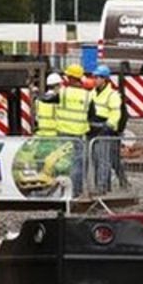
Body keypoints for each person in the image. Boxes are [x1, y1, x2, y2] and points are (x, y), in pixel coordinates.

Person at [55, 64, 90, 196]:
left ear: (70, 77)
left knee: (63, 162)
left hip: (63, 132)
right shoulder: (87, 95)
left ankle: (61, 191)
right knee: (78, 163)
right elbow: (92, 113)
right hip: (79, 134)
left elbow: (47, 99)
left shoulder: (62, 92)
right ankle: (76, 191)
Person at [88, 65, 124, 193]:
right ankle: (101, 185)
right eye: (95, 77)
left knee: (103, 160)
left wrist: (108, 126)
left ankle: (103, 187)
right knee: (96, 160)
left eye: (98, 77)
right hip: (93, 129)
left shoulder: (112, 95)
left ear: (105, 79)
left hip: (105, 130)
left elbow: (116, 114)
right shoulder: (92, 93)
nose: (95, 79)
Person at [34, 72, 63, 137]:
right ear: (57, 86)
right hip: (56, 135)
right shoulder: (60, 101)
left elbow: (36, 118)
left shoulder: (38, 101)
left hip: (42, 134)